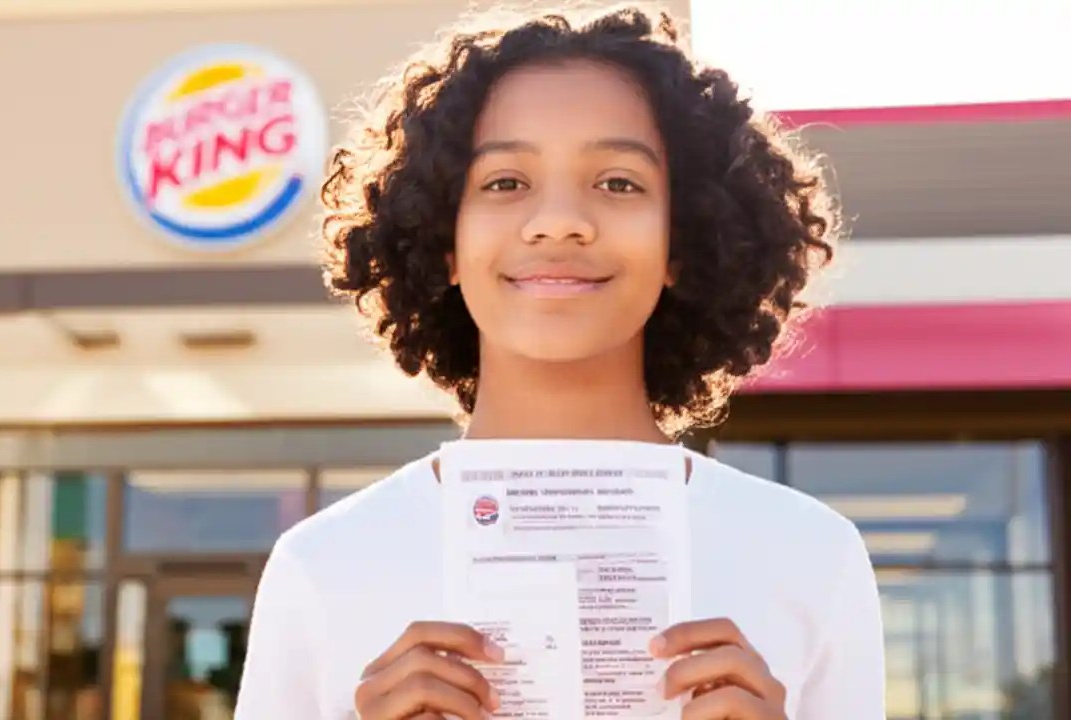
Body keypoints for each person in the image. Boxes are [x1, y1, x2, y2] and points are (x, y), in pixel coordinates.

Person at [235, 4, 885, 719]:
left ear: (683, 239)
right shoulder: (322, 569)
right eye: (505, 183)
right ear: (443, 239)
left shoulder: (811, 557)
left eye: (618, 183)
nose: (559, 220)